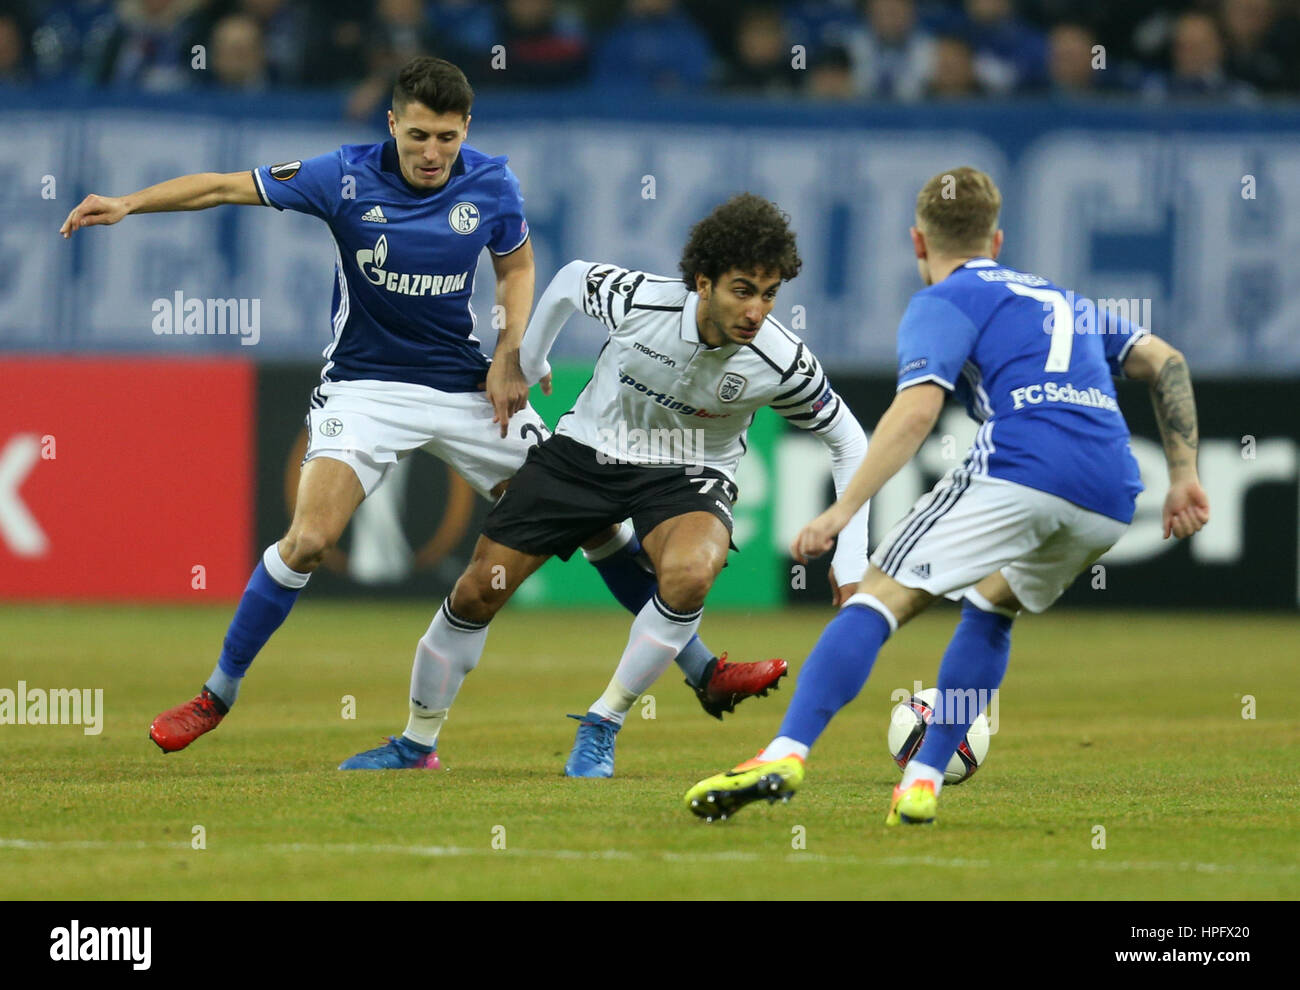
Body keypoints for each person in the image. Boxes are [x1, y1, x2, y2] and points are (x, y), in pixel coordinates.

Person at [59, 56, 785, 768]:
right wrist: (128, 203)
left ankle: (701, 670)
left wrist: (510, 354)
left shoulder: (493, 183)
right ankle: (216, 695)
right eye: (418, 137)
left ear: (465, 128)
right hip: (365, 389)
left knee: (592, 514)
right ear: (392, 126)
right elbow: (222, 186)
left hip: (463, 388)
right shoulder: (340, 176)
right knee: (310, 540)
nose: (433, 153)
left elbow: (519, 267)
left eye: (447, 137)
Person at [686, 166, 1211, 824]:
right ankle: (924, 778)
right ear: (996, 241)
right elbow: (1167, 362)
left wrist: (843, 510)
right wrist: (1185, 474)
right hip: (1111, 493)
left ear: (916, 243)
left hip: (1024, 465)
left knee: (880, 598)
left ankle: (785, 751)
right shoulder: (1062, 299)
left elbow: (916, 411)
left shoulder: (943, 300)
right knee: (992, 608)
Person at [347, 193, 870, 777]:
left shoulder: (781, 362)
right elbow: (570, 280)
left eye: (769, 294)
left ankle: (604, 722)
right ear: (703, 283)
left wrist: (851, 564)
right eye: (742, 290)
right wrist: (527, 360)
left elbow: (851, 442)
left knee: (692, 572)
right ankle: (417, 746)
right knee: (477, 591)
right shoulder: (641, 299)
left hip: (687, 474)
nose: (756, 311)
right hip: (584, 454)